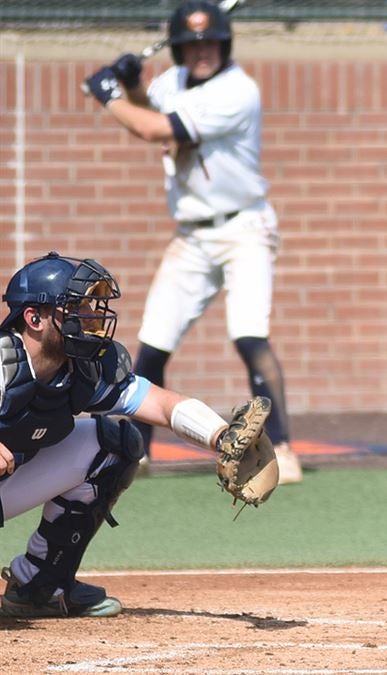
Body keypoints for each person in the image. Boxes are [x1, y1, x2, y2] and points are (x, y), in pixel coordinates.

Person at [82, 0, 301, 484]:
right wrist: (134, 84)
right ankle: (135, 451)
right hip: (193, 234)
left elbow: (152, 128)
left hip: (243, 227)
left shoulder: (237, 91)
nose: (203, 51)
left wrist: (108, 93)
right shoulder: (172, 83)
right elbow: (150, 107)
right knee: (154, 343)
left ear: (225, 42)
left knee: (249, 335)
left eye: (211, 42)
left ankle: (283, 449)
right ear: (180, 48)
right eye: (192, 43)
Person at [0, 252, 269, 617]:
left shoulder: (84, 369)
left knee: (113, 446)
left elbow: (159, 404)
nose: (92, 317)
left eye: (91, 306)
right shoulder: (4, 363)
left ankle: (39, 585)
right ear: (33, 318)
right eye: (75, 308)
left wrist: (220, 436)